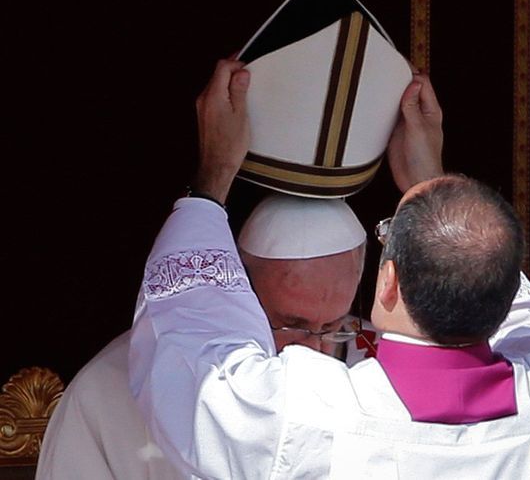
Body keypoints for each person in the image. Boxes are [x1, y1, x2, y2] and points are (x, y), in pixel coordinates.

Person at [128, 60, 530, 478]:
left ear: (390, 283)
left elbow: (188, 349)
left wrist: (213, 174)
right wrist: (431, 179)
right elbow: (518, 304)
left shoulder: (305, 418)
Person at [35, 59, 443, 480]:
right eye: (292, 324)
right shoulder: (108, 389)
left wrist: (429, 185)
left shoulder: (382, 373)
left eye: (333, 324)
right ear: (236, 290)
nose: (314, 353)